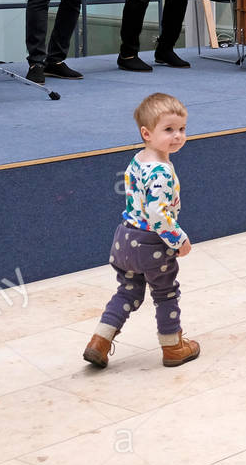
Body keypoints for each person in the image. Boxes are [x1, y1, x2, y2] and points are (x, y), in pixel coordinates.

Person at [82, 93, 199, 369]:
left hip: (125, 237)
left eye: (182, 129)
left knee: (127, 292)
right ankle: (173, 347)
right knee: (166, 294)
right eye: (168, 130)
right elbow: (159, 215)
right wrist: (179, 239)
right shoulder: (161, 171)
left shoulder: (139, 159)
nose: (178, 136)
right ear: (147, 133)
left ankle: (100, 341)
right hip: (151, 245)